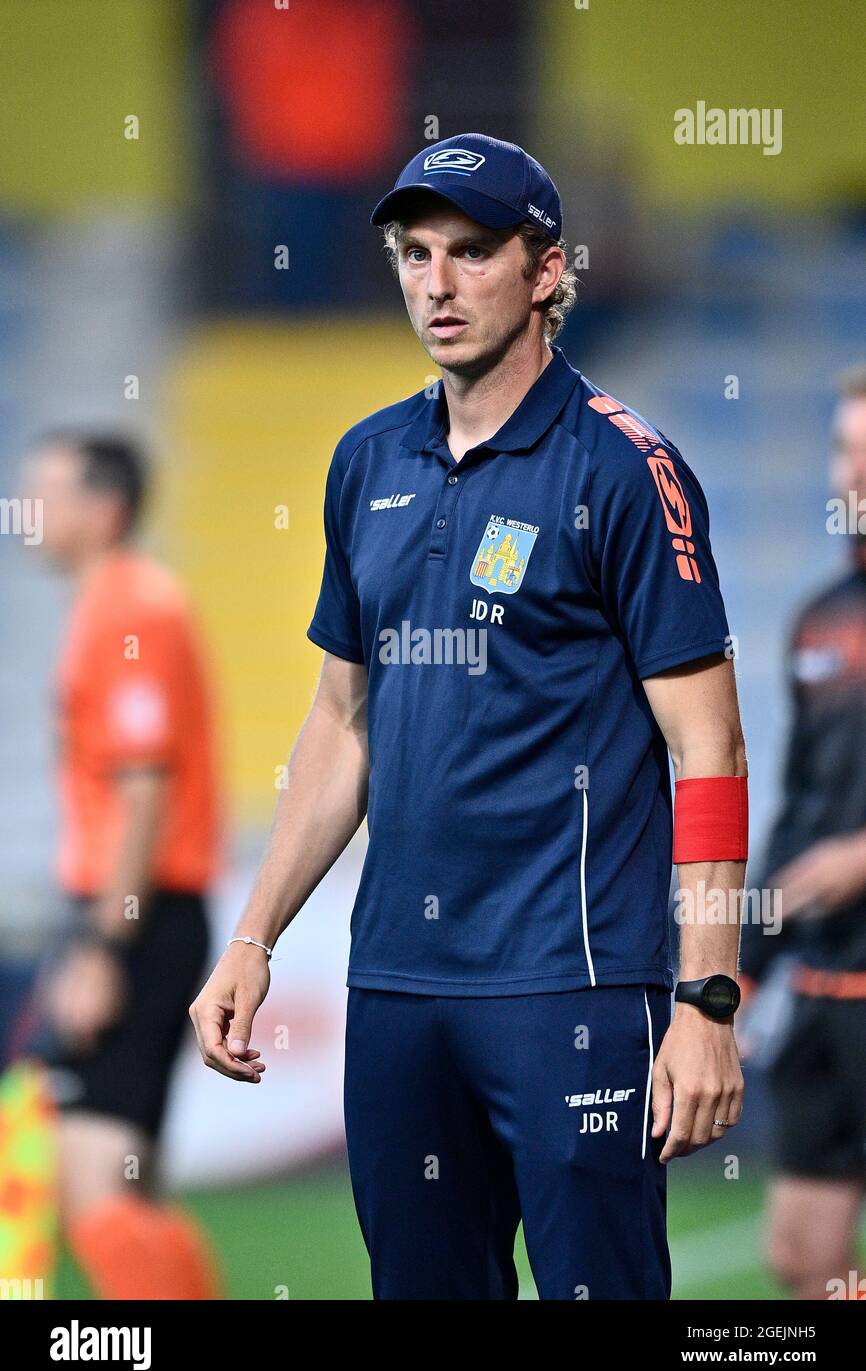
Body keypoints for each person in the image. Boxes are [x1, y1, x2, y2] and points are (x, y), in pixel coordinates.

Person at [190, 133, 748, 1300]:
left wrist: (704, 1003)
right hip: (396, 984)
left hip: (572, 982)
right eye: (414, 253)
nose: (434, 284)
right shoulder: (366, 461)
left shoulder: (623, 469)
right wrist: (253, 936)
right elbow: (341, 723)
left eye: (471, 252)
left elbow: (708, 748)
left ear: (546, 270)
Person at [19, 433, 224, 1299]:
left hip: (136, 916)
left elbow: (143, 793)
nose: (28, 509)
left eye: (44, 491)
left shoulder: (129, 609)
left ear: (104, 509)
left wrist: (103, 947)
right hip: (145, 911)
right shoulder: (123, 601)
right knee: (124, 1179)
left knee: (96, 1178)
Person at [740, 366, 866, 1301]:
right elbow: (794, 804)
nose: (846, 477)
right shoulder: (819, 620)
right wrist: (740, 960)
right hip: (822, 986)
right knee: (804, 1266)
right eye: (841, 450)